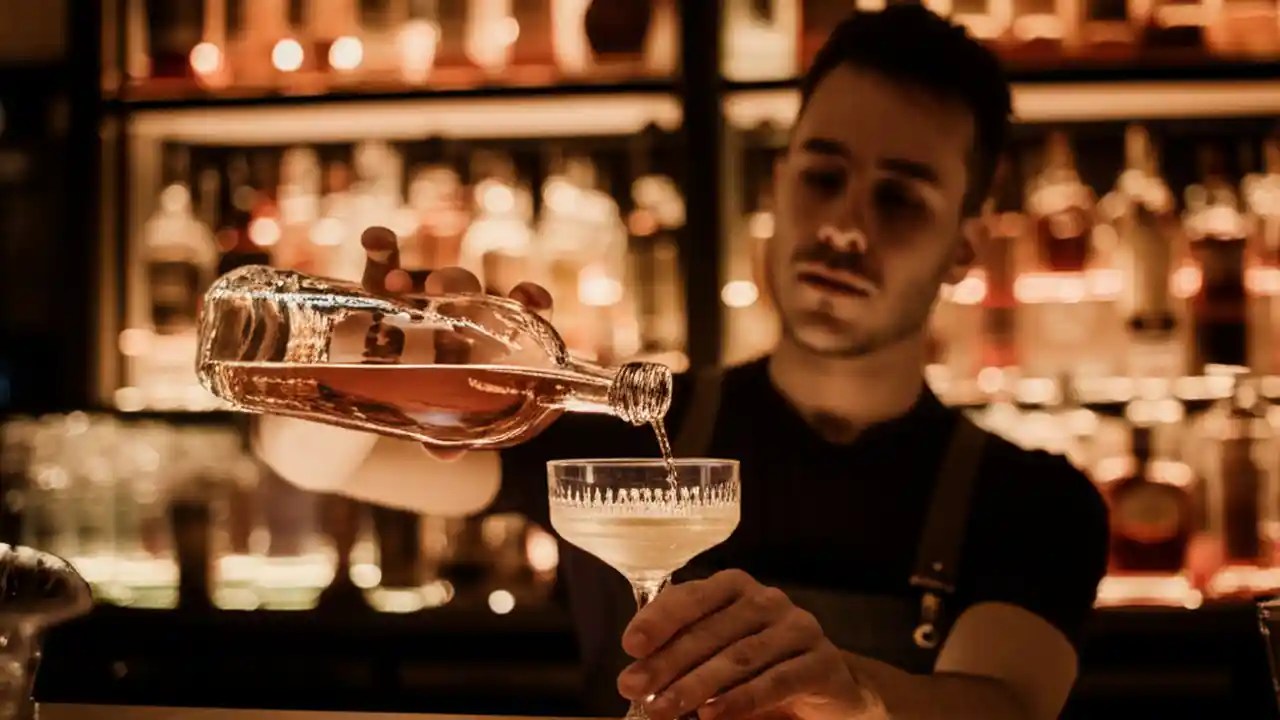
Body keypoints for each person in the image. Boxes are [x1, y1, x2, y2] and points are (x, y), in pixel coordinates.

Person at [257, 6, 1109, 719]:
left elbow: (1005, 705)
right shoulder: (622, 430)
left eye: (900, 197)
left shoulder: (1032, 501)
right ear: (777, 186)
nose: (845, 227)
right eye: (823, 176)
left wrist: (855, 692)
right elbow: (304, 460)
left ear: (964, 249)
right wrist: (363, 359)